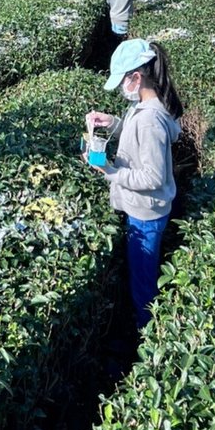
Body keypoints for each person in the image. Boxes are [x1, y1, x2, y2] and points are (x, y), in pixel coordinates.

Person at [85, 38, 182, 329]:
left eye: (122, 81)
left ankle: (147, 333)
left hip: (146, 214)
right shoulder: (149, 105)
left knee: (143, 283)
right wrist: (113, 123)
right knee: (141, 273)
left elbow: (153, 177)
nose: (121, 89)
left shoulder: (149, 119)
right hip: (145, 210)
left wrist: (110, 171)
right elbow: (138, 136)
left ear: (136, 77)